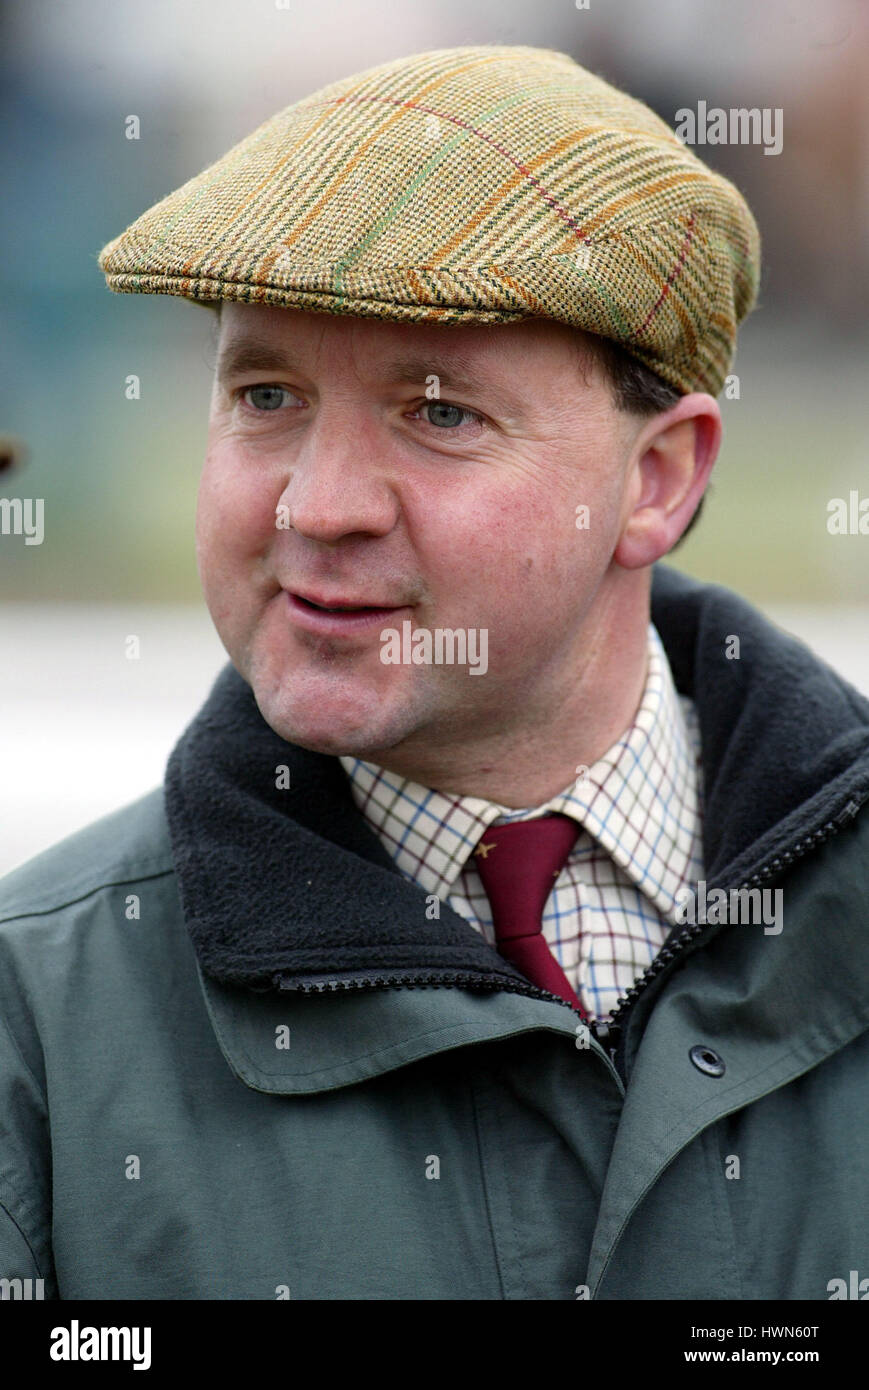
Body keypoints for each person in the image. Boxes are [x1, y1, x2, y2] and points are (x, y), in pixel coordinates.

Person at [1, 43, 867, 1302]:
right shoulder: (36, 1024)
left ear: (656, 481)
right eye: (264, 395)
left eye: (438, 412)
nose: (316, 503)